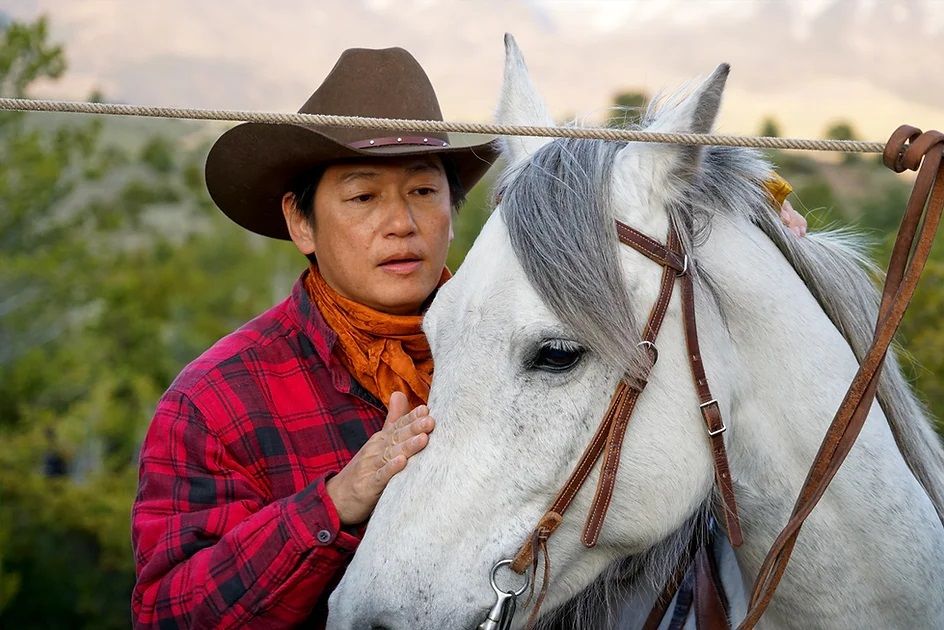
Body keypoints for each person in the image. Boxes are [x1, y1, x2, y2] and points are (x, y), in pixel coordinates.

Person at [131, 46, 807, 629]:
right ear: (301, 222)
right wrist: (334, 504)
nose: (401, 224)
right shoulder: (218, 400)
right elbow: (168, 613)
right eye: (363, 197)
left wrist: (742, 230)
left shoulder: (547, 340)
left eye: (424, 192)